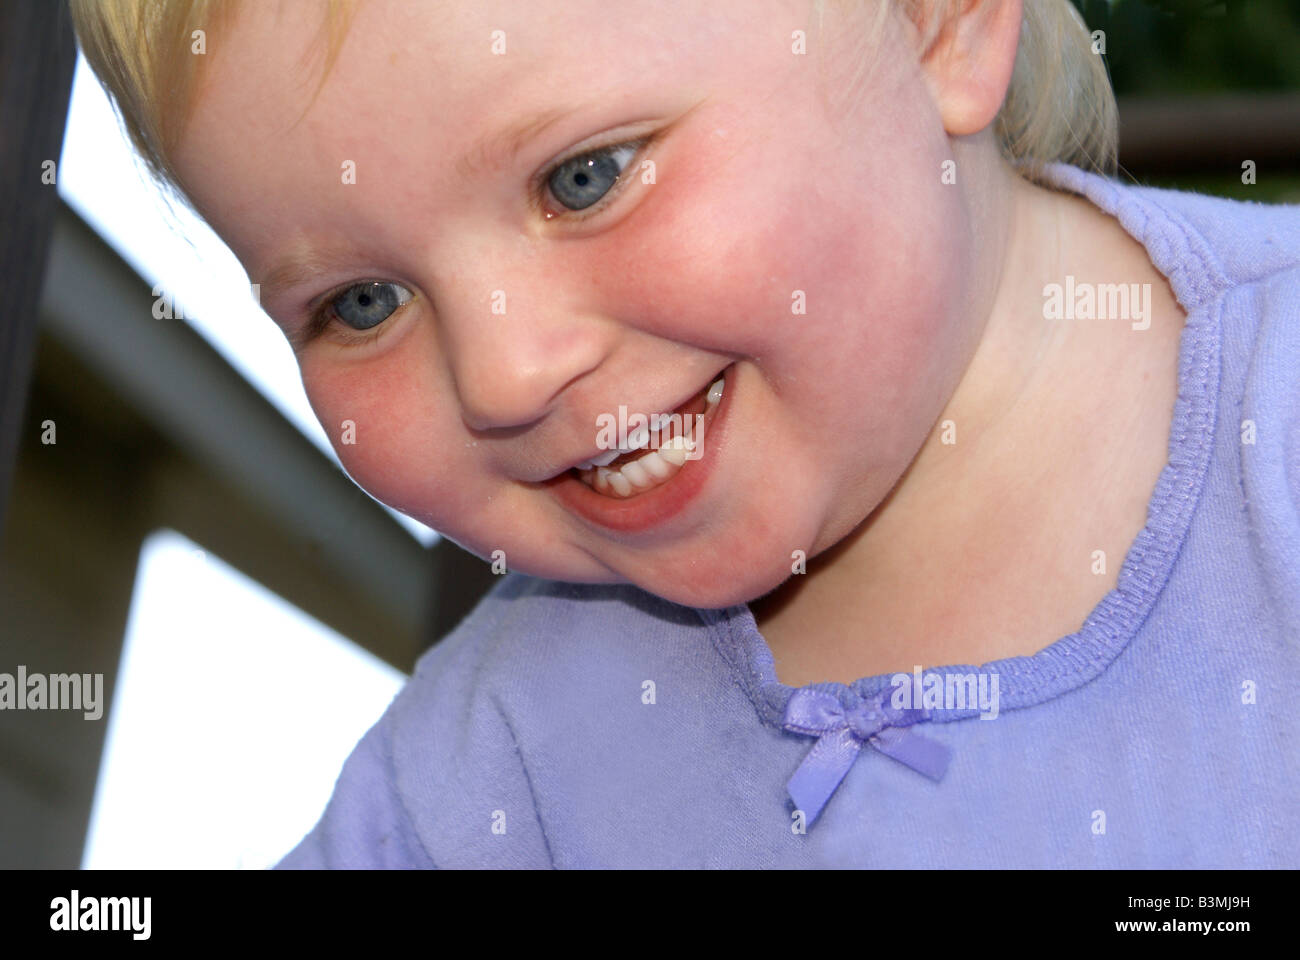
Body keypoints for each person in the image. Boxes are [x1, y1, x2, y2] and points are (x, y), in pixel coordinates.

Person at [68, 0, 1300, 867]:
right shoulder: (488, 776)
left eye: (587, 177)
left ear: (937, 18)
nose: (505, 375)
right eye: (362, 304)